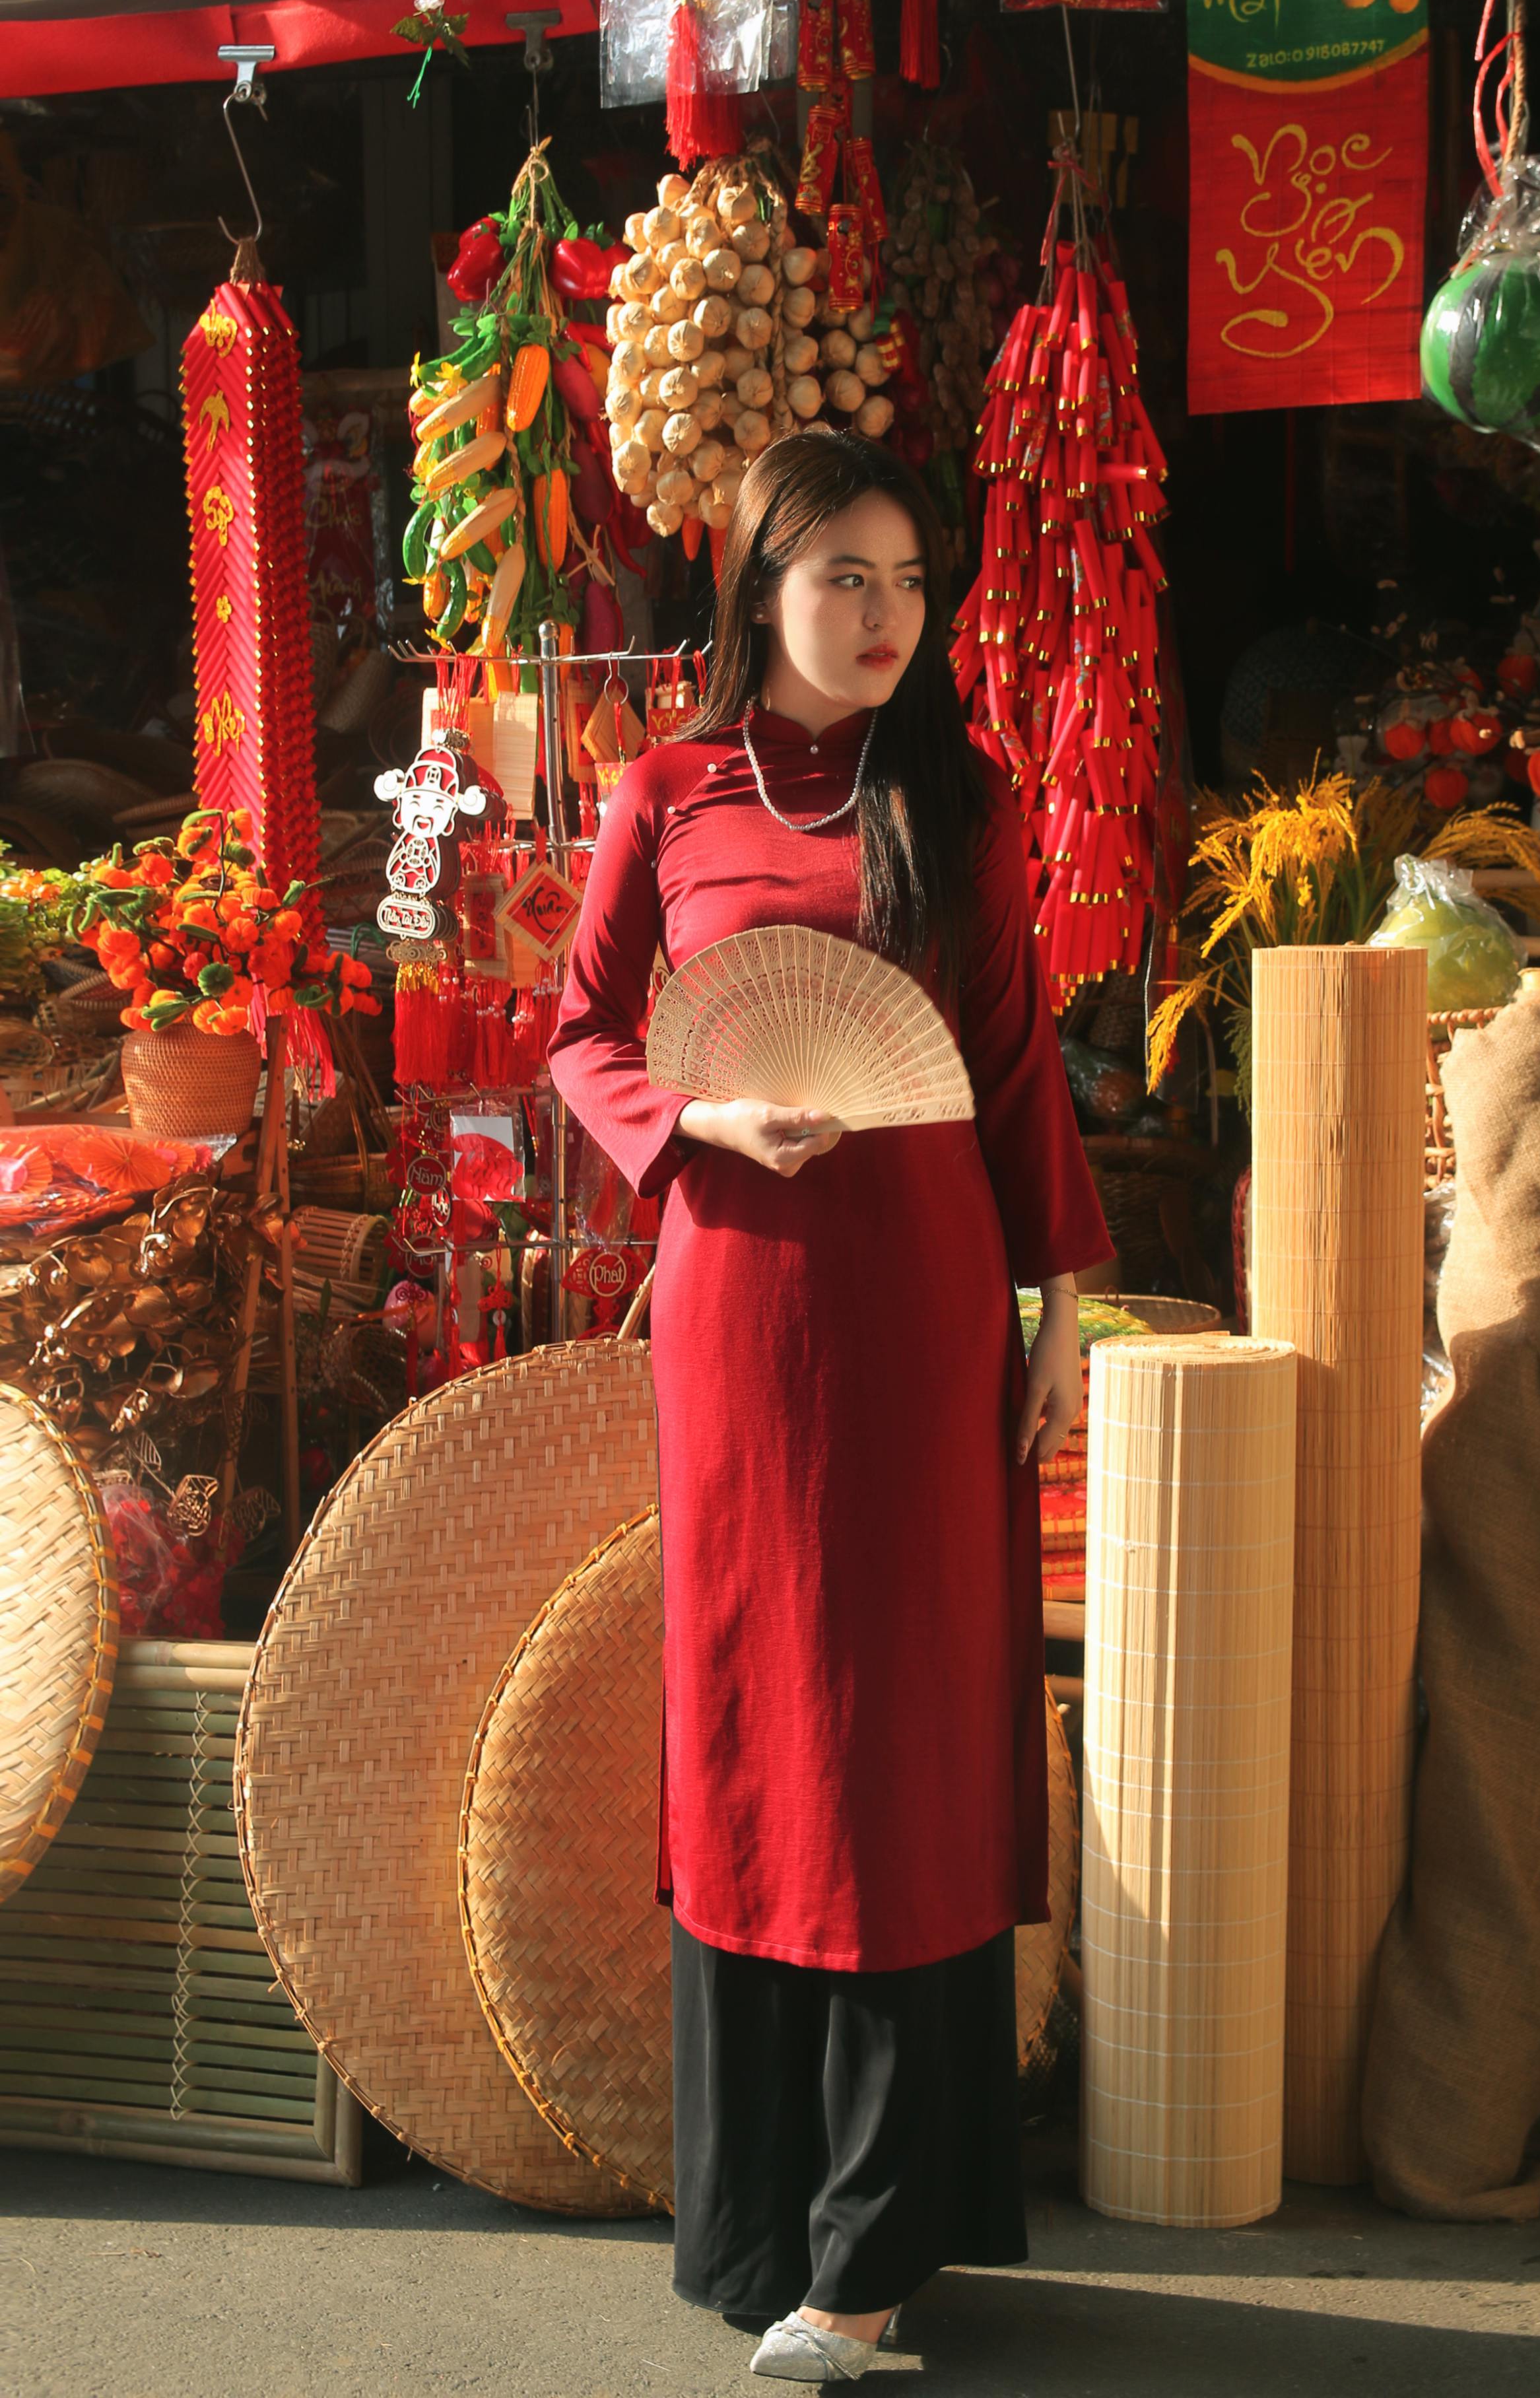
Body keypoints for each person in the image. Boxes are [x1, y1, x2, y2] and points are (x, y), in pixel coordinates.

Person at [549, 432, 1112, 2384]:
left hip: (926, 1300)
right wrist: (696, 1117)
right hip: (735, 1309)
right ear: (762, 583)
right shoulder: (666, 791)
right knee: (751, 1723)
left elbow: (1022, 1065)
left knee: (903, 1744)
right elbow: (581, 1033)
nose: (884, 615)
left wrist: (1062, 1302)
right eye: (844, 576)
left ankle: (867, 2263)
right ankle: (759, 2221)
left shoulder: (959, 796)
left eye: (906, 581)